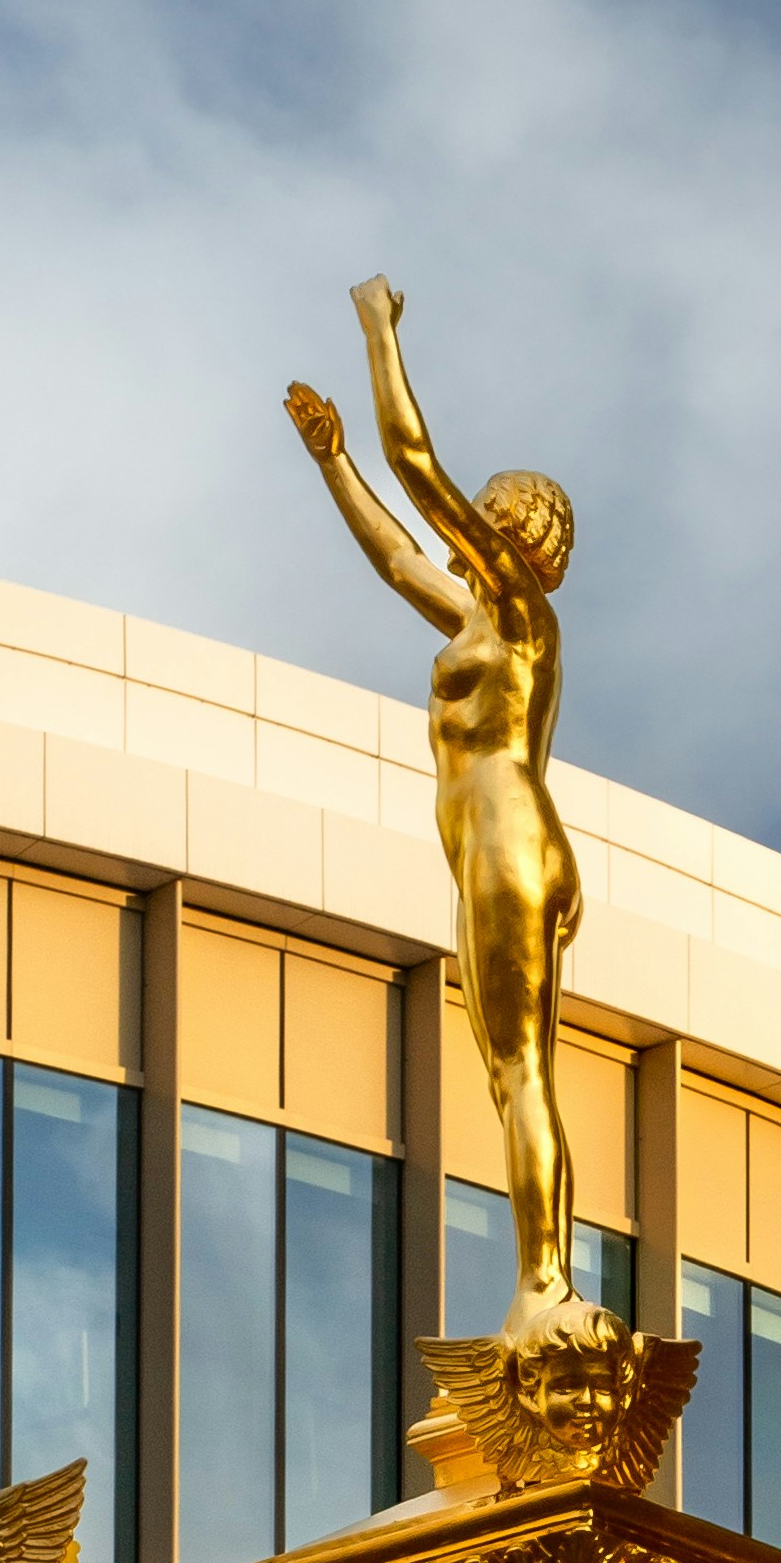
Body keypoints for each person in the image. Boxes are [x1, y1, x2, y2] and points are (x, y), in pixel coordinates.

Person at [286, 278, 592, 1348]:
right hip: (494, 847)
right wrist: (331, 462)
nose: (471, 520)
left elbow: (417, 470)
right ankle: (542, 1274)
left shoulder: (519, 606)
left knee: (520, 1073)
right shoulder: (482, 613)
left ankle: (547, 1282)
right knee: (512, 1074)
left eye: (488, 506)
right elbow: (395, 552)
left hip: (510, 832)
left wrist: (378, 330)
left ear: (512, 526)